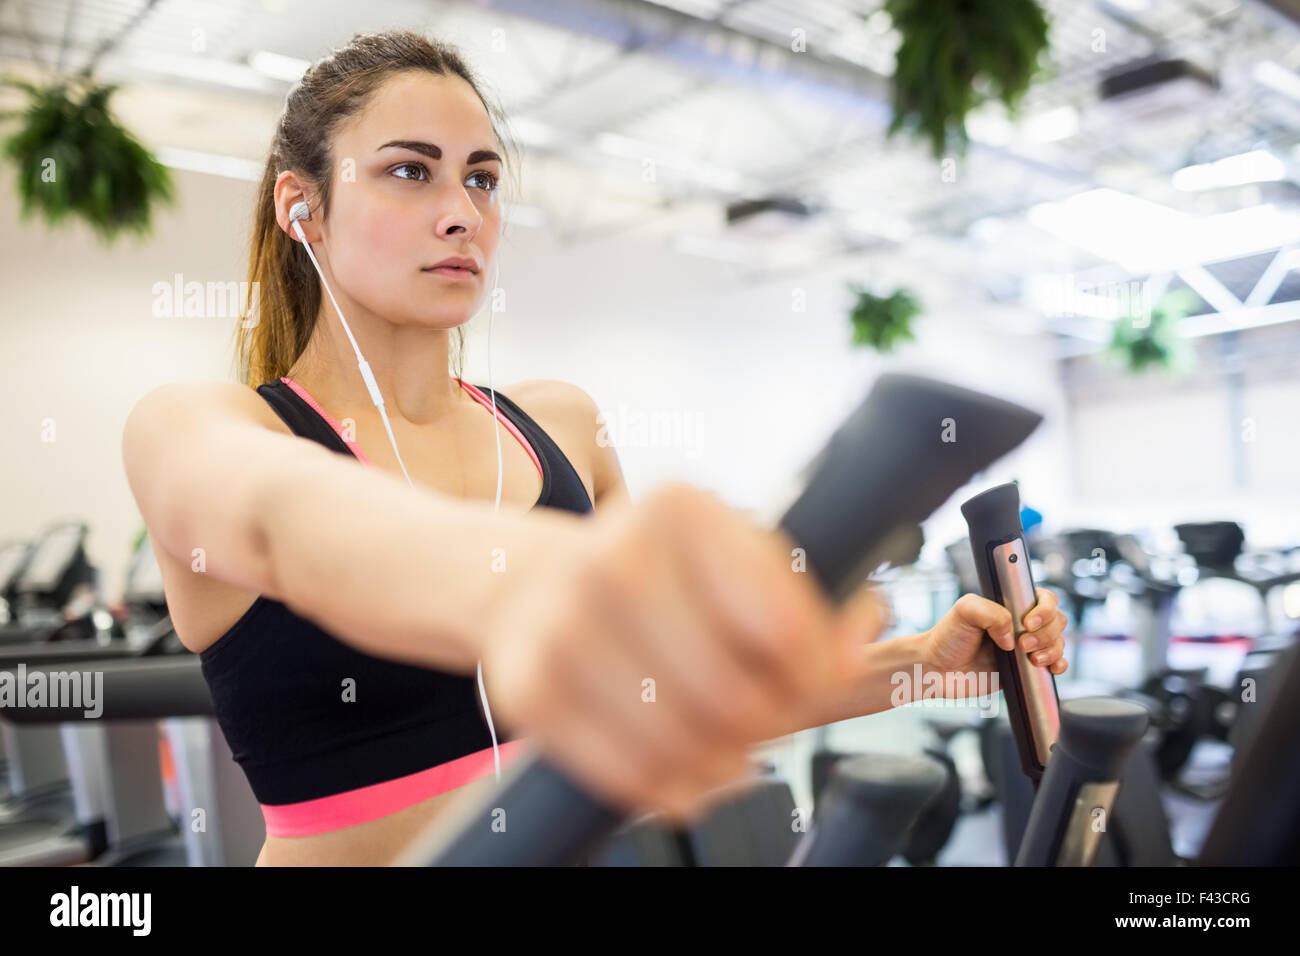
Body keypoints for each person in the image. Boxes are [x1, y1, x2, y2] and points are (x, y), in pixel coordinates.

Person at [121, 29, 1068, 867]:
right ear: (304, 207)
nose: (462, 213)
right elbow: (293, 521)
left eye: (482, 178)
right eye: (411, 170)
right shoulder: (197, 428)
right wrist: (554, 584)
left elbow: (667, 702)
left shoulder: (558, 422)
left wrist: (923, 662)